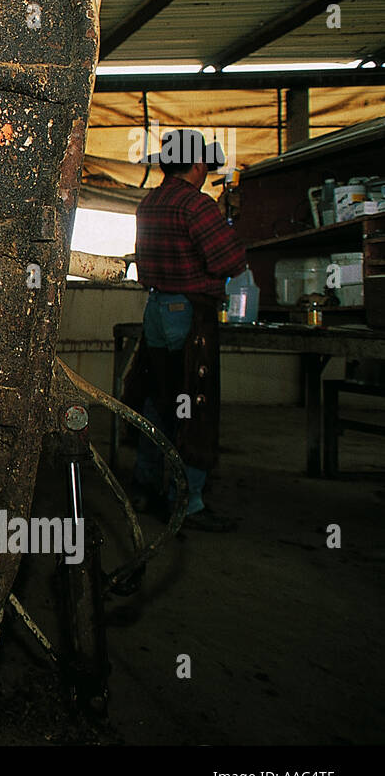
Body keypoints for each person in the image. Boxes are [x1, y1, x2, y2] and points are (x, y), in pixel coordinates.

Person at [128, 128, 246, 532]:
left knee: (158, 398)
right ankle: (188, 500)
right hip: (188, 314)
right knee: (193, 404)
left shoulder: (149, 203)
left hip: (156, 308)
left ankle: (145, 483)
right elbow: (229, 261)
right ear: (197, 165)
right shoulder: (197, 206)